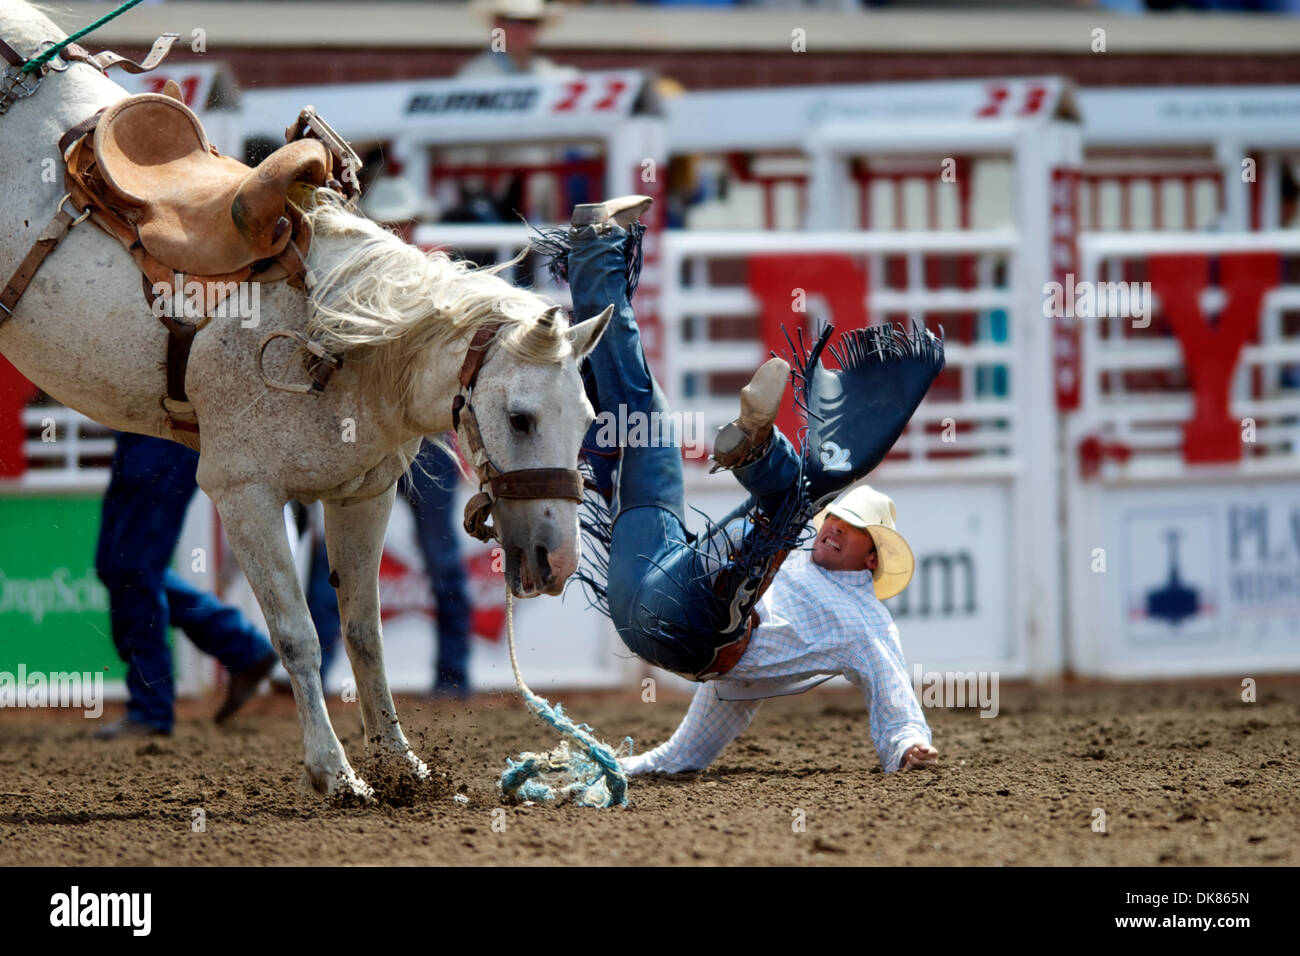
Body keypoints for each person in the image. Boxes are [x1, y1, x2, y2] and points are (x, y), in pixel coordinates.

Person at [535, 195, 942, 775]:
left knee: (790, 501)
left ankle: (758, 447)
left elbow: (892, 687)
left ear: (870, 555)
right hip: (657, 605)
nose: (831, 530)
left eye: (848, 529)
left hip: (695, 630)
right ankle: (595, 251)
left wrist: (907, 745)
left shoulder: (867, 624)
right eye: (835, 519)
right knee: (647, 419)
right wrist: (635, 769)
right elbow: (699, 737)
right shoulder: (791, 570)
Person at [93, 433, 278, 738]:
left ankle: (151, 708)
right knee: (116, 565)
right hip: (140, 433)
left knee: (133, 570)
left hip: (160, 433)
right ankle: (242, 647)